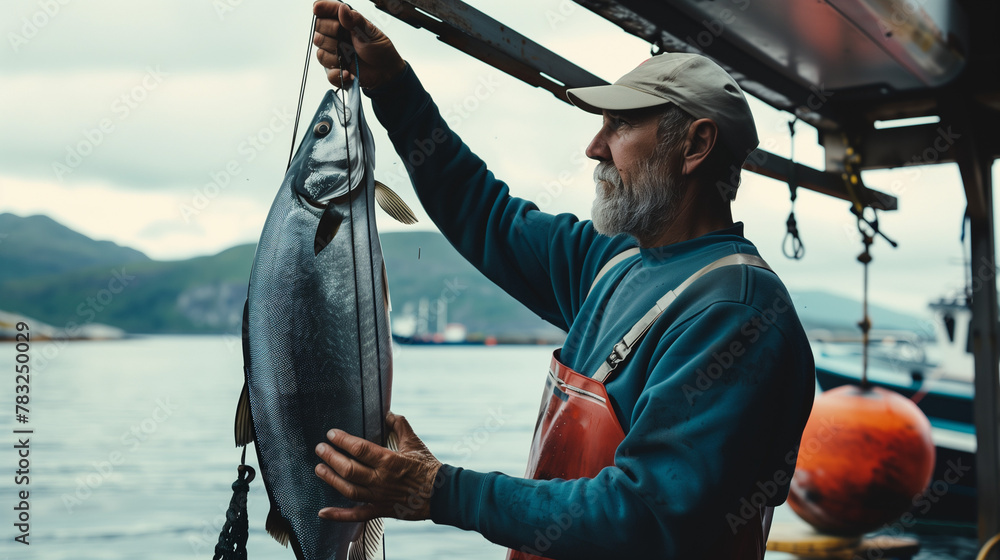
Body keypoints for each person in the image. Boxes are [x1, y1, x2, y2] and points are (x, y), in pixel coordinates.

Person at [309, 2, 816, 558]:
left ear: (694, 145)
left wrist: (437, 489)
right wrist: (393, 88)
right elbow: (484, 214)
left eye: (620, 125)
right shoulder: (614, 263)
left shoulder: (735, 314)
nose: (595, 147)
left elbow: (645, 515)